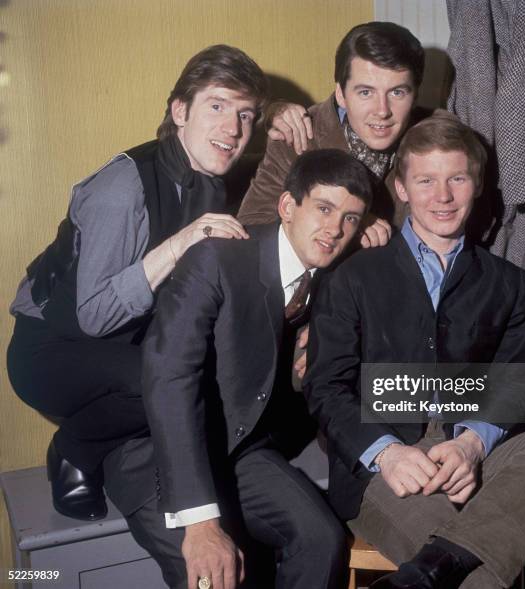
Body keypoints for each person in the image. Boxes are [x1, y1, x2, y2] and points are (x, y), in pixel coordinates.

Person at [303, 114, 525, 589]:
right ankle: (447, 562)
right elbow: (325, 389)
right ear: (402, 188)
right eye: (426, 180)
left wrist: (471, 444)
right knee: (484, 578)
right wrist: (388, 455)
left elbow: (514, 386)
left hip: (476, 452)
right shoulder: (352, 277)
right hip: (384, 467)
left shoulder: (509, 284)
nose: (442, 197)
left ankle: (431, 567)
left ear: (477, 184)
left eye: (457, 179)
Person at [6, 45, 267, 521]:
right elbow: (95, 316)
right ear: (180, 111)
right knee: (167, 381)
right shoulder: (121, 187)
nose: (233, 129)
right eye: (217, 106)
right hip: (50, 351)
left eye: (246, 115)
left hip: (120, 349)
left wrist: (290, 113)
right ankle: (74, 450)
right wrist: (182, 242)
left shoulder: (213, 174)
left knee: (214, 375)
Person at [124, 149, 373, 589]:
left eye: (351, 219)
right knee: (215, 576)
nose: (335, 229)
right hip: (158, 451)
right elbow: (170, 379)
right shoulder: (217, 260)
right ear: (287, 207)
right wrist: (201, 523)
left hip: (242, 447)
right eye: (324, 208)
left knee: (322, 539)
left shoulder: (334, 277)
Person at [238, 21, 429, 247]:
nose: (382, 110)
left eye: (397, 92)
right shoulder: (298, 137)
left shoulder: (431, 140)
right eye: (366, 92)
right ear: (340, 94)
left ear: (415, 95)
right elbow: (252, 227)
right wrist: (347, 220)